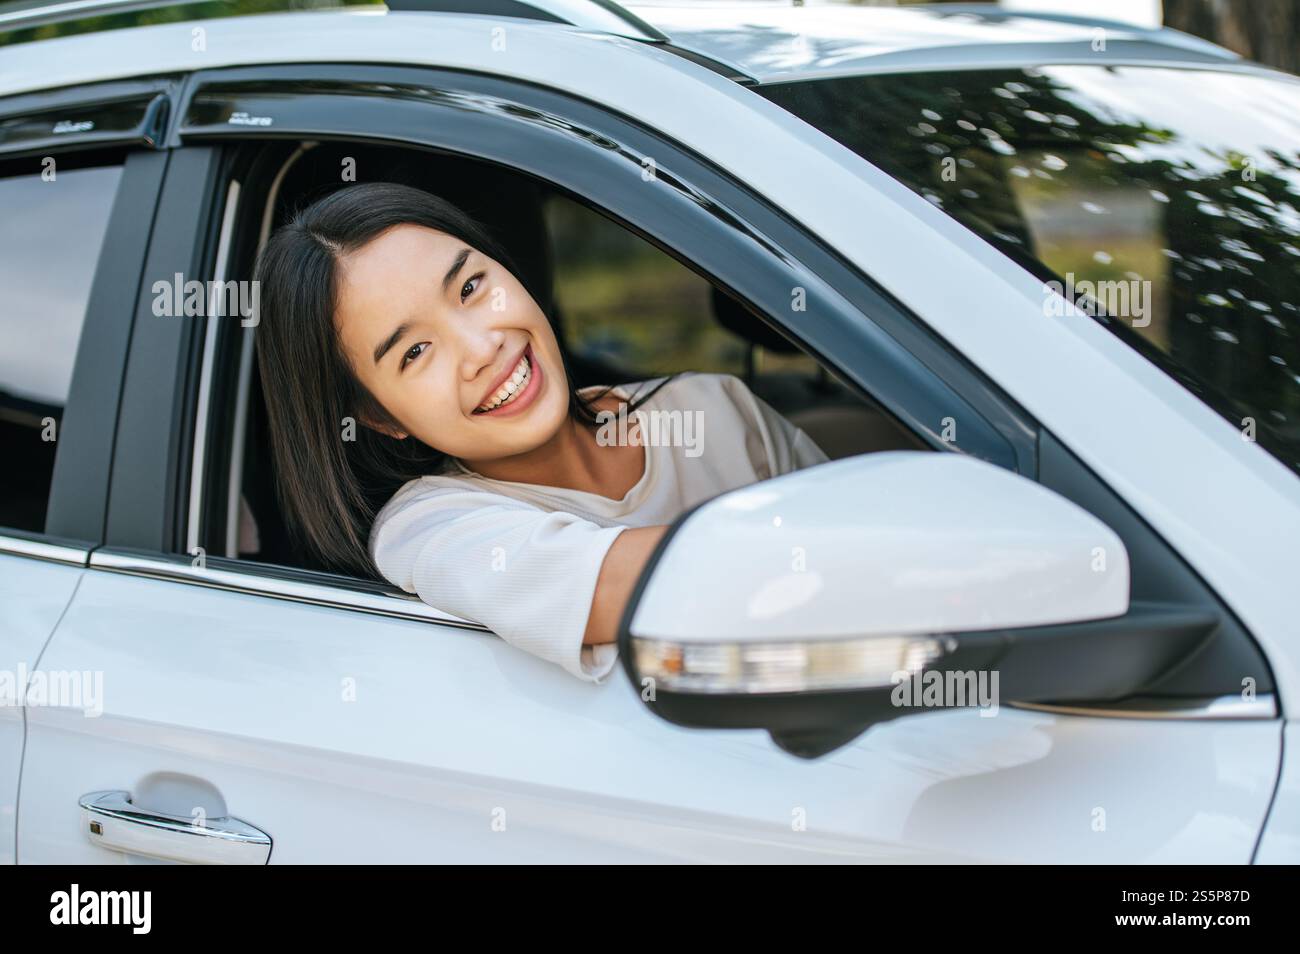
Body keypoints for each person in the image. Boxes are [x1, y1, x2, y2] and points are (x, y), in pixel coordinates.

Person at [254, 182, 827, 682]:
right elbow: (639, 583)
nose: (483, 347)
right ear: (382, 418)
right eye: (417, 351)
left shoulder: (712, 408)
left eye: (471, 289)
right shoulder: (429, 530)